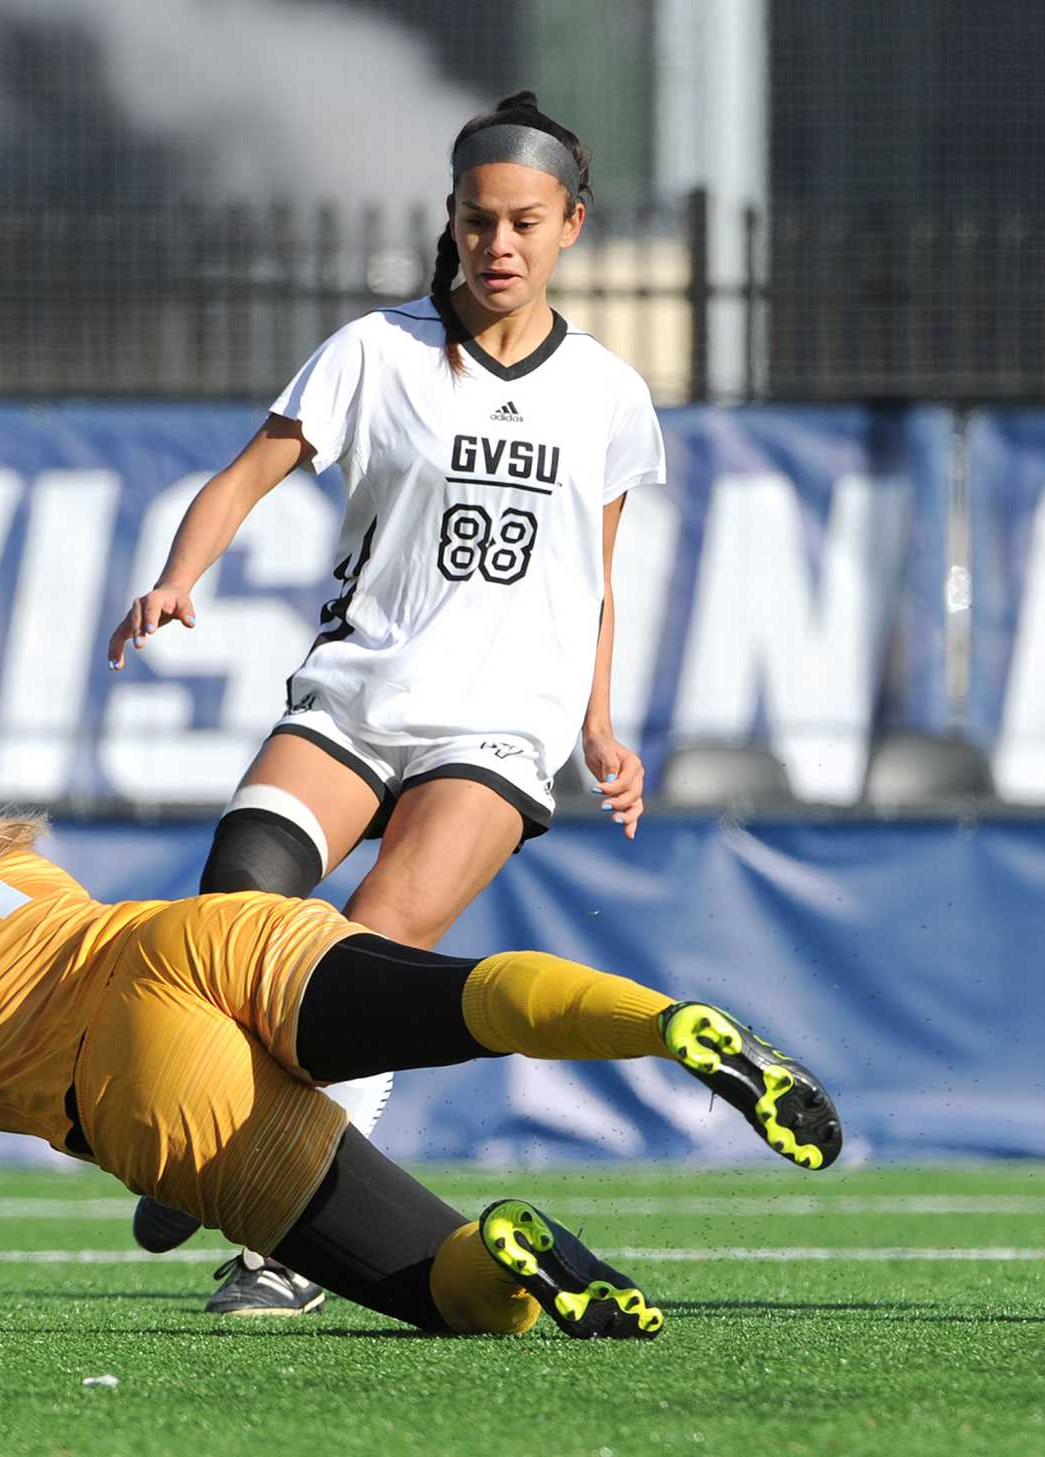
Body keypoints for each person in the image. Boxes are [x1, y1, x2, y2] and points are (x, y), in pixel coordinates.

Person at [0, 745, 842, 1341]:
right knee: (465, 996)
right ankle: (669, 1022)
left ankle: (508, 1256)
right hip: (193, 938)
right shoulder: (15, 862)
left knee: (441, 1294)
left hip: (139, 1080)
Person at [102, 90, 663, 1312]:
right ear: (450, 224)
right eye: (476, 221)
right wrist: (175, 578)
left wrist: (599, 730)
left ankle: (278, 1240)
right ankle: (213, 1134)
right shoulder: (375, 349)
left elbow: (596, 581)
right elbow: (248, 471)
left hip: (497, 724)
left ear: (571, 223)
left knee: (371, 951)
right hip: (355, 700)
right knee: (236, 901)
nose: (497, 245)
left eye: (523, 222)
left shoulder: (608, 396)